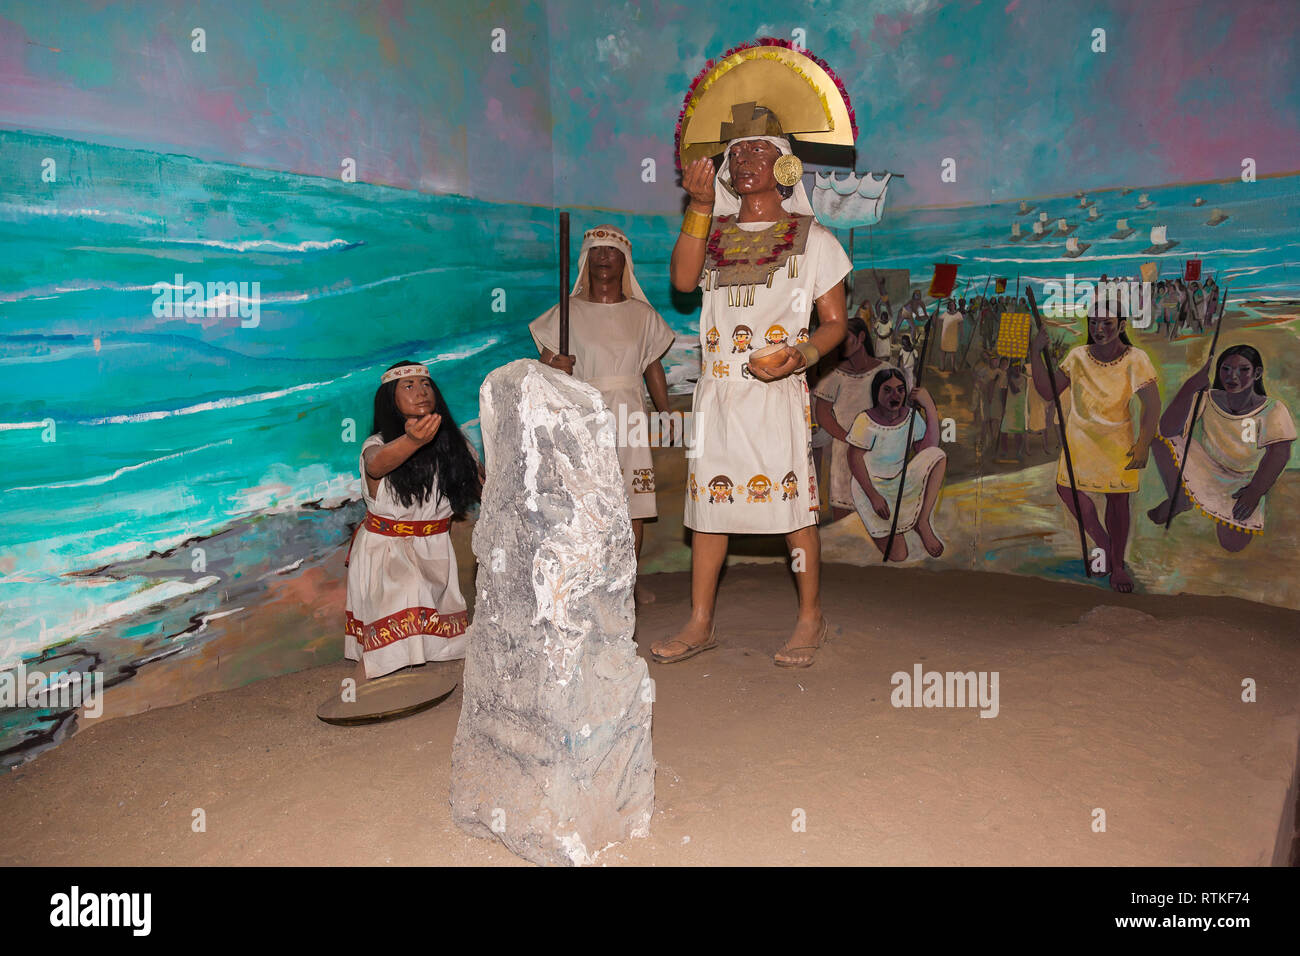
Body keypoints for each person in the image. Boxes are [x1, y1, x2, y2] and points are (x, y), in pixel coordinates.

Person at [652, 109, 850, 669]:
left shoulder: (815, 239)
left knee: (794, 509)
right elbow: (684, 282)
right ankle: (699, 621)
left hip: (779, 392)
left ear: (785, 164)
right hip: (718, 394)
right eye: (735, 154)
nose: (744, 163)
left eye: (758, 152)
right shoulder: (709, 232)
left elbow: (836, 322)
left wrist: (802, 355)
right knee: (709, 507)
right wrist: (696, 206)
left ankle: (811, 617)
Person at [530, 224, 676, 604]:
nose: (604, 258)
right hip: (582, 414)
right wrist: (555, 368)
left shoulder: (642, 314)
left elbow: (652, 366)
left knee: (634, 501)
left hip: (629, 413)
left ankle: (625, 583)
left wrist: (667, 414)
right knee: (584, 500)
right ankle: (588, 584)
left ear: (625, 261)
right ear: (585, 260)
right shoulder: (566, 312)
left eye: (612, 251)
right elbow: (543, 369)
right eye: (596, 251)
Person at [344, 362, 482, 680]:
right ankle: (359, 685)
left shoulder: (457, 445)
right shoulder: (376, 445)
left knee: (433, 621)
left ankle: (417, 677)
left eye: (425, 384)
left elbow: (483, 486)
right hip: (387, 549)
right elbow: (376, 466)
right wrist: (413, 442)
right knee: (407, 591)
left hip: (434, 548)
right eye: (408, 386)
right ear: (390, 399)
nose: (420, 391)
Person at [1029, 311, 1159, 592]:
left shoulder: (1136, 359)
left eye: (1107, 323)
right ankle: (1104, 543)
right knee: (1067, 490)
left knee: (1117, 504)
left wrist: (1143, 444)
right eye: (1094, 322)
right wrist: (1034, 352)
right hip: (1080, 439)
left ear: (1121, 325)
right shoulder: (1077, 356)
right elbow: (1047, 391)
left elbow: (1151, 404)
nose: (1099, 328)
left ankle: (1119, 566)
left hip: (1117, 441)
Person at [1148, 345, 1295, 550]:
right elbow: (1168, 428)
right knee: (1160, 439)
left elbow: (1280, 453)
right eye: (1225, 369)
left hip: (1244, 481)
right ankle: (1179, 498)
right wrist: (1189, 388)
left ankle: (1208, 503)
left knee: (1232, 544)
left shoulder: (1273, 408)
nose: (1232, 376)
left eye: (1243, 370)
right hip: (1207, 466)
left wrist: (1255, 491)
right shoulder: (1207, 398)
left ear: (1257, 373)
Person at [846, 369, 947, 560]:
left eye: (901, 390)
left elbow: (928, 450)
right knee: (899, 555)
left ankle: (922, 521)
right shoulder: (865, 420)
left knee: (938, 455)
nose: (895, 396)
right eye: (888, 390)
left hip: (900, 482)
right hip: (870, 487)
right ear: (877, 393)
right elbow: (854, 459)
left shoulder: (911, 416)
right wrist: (874, 497)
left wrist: (929, 407)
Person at [813, 316, 905, 522]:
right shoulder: (833, 376)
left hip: (879, 451)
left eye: (845, 338)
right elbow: (823, 415)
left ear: (861, 337)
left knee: (880, 514)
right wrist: (850, 439)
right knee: (844, 517)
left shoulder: (886, 372)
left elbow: (898, 411)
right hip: (844, 453)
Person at [938, 298, 962, 372]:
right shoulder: (945, 314)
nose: (952, 306)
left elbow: (961, 324)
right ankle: (942, 367)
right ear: (948, 306)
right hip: (945, 335)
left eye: (953, 305)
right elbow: (939, 320)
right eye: (950, 305)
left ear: (955, 306)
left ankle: (953, 367)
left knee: (953, 352)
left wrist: (961, 333)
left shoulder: (958, 314)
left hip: (953, 335)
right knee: (943, 351)